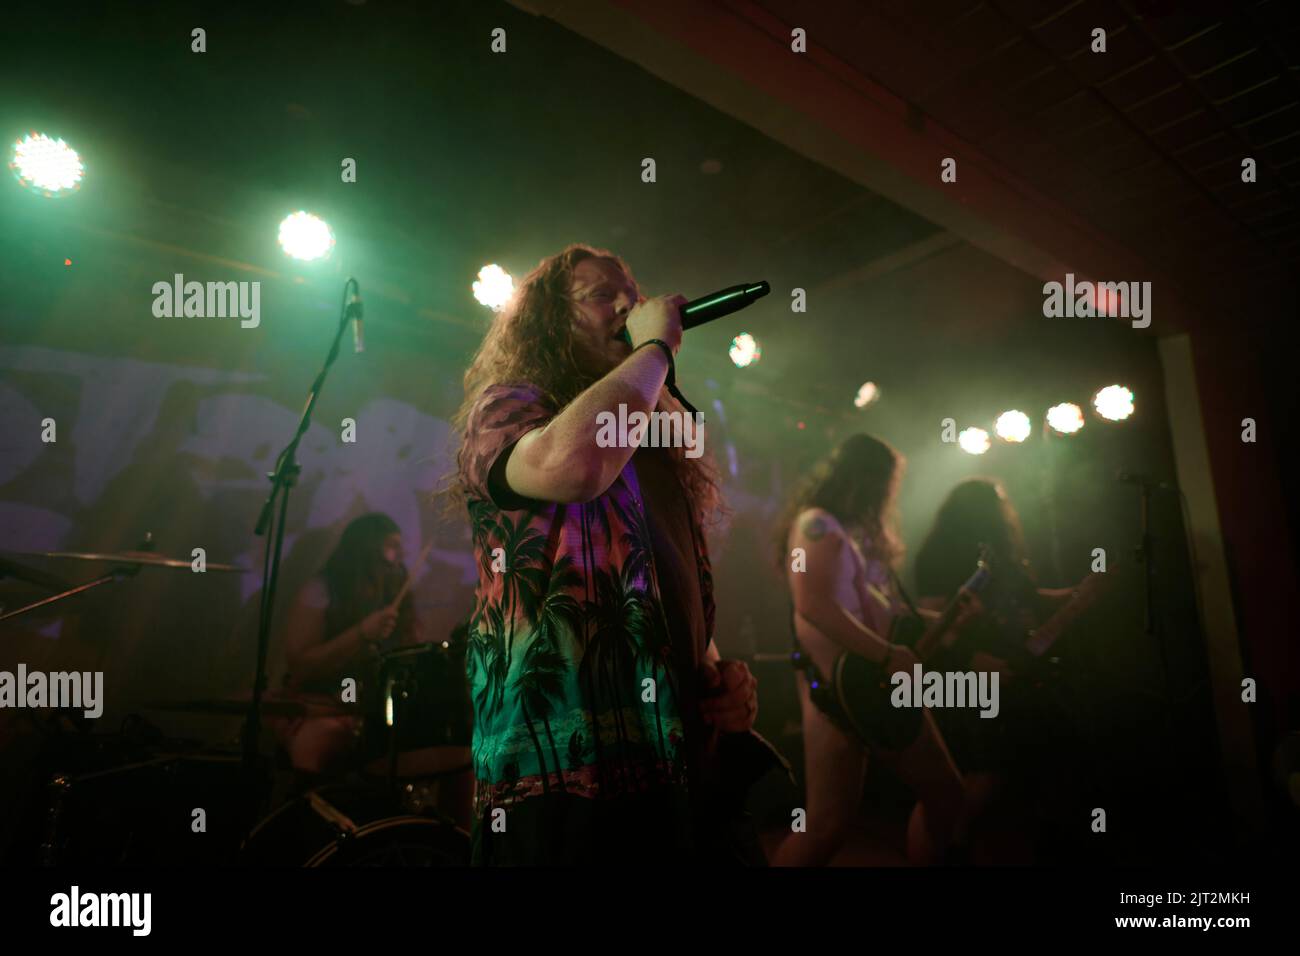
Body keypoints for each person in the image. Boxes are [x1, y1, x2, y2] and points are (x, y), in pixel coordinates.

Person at [449, 243, 771, 865]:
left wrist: (720, 671)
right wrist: (654, 349)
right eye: (602, 295)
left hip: (676, 751)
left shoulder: (652, 433)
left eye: (632, 294)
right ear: (549, 322)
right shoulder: (509, 407)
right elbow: (573, 467)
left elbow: (661, 581)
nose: (629, 305)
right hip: (563, 762)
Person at [771, 434, 968, 866]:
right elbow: (813, 604)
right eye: (888, 482)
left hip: (853, 684)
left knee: (825, 825)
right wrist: (886, 655)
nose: (891, 495)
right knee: (947, 795)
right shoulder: (817, 525)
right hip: (856, 684)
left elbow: (876, 609)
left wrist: (944, 619)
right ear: (869, 478)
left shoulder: (840, 531)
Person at [914, 477, 1097, 863]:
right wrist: (970, 659)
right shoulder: (941, 557)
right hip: (963, 679)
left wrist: (1078, 593)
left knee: (1004, 774)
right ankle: (947, 849)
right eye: (997, 503)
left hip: (1008, 673)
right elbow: (929, 625)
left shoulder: (1000, 557)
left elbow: (1026, 597)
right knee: (970, 776)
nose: (1005, 509)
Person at [276, 513, 418, 780]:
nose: (400, 555)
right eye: (391, 546)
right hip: (319, 707)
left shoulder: (397, 593)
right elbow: (301, 667)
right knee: (317, 742)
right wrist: (361, 633)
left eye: (401, 546)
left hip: (371, 712)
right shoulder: (322, 590)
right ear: (366, 549)